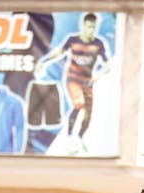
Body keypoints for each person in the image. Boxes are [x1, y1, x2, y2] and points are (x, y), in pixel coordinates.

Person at [35, 12, 110, 154]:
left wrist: (97, 76)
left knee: (88, 115)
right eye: (88, 27)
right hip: (73, 78)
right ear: (83, 26)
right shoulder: (73, 40)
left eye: (93, 27)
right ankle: (70, 138)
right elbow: (58, 53)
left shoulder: (98, 44)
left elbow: (107, 66)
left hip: (87, 82)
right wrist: (43, 62)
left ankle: (80, 138)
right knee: (79, 103)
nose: (91, 30)